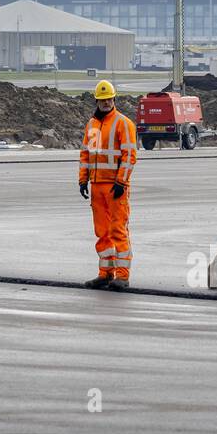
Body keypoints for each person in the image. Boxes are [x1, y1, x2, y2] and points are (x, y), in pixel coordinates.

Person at [78, 80, 137, 292]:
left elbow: (129, 156)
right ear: (96, 101)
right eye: (102, 100)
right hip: (96, 186)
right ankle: (105, 273)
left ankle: (122, 275)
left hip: (115, 187)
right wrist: (83, 179)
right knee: (102, 232)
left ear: (114, 99)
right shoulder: (92, 124)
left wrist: (121, 181)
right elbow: (86, 154)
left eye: (109, 99)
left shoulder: (123, 123)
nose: (106, 103)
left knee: (118, 230)